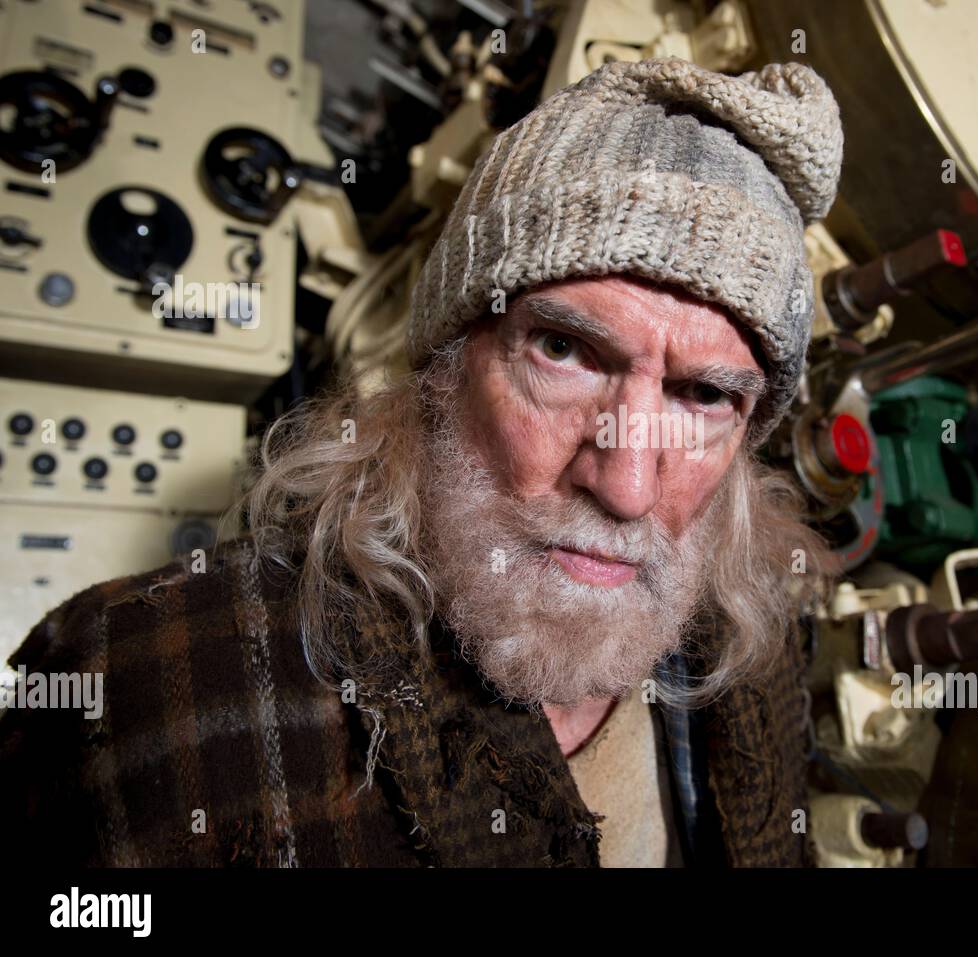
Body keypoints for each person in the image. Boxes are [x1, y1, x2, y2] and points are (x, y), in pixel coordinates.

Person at [0, 56, 844, 867]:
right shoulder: (144, 692)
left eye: (704, 397)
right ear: (444, 365)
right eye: (563, 350)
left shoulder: (749, 679)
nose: (625, 486)